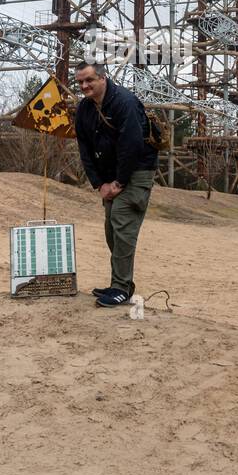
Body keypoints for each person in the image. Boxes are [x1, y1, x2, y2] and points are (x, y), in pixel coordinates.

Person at [73, 61, 158, 307]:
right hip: (110, 178)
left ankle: (121, 288)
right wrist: (99, 184)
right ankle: (120, 284)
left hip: (135, 173)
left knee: (122, 225)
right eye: (80, 82)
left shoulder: (124, 102)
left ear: (103, 78)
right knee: (112, 229)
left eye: (89, 80)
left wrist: (120, 181)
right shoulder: (85, 109)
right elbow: (85, 149)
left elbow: (131, 145)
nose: (84, 86)